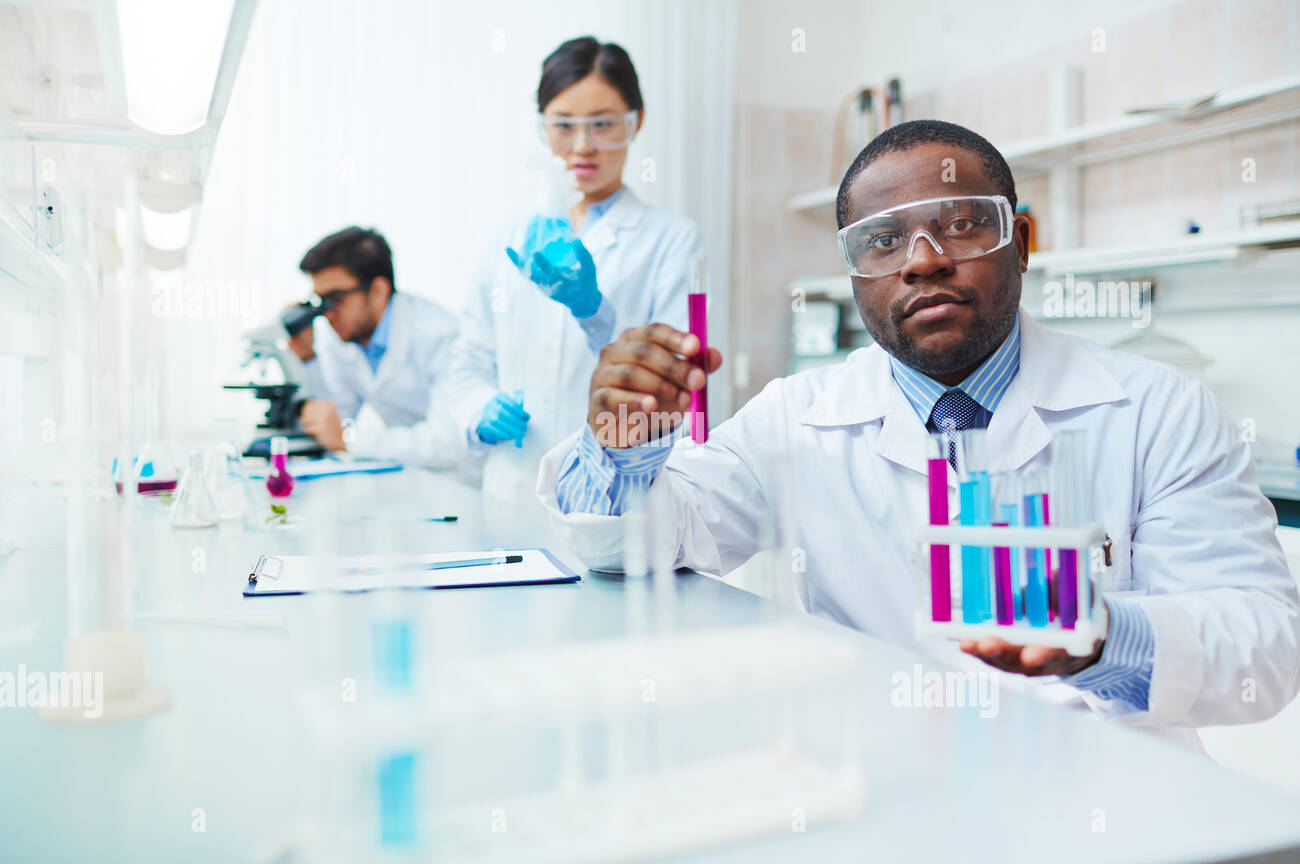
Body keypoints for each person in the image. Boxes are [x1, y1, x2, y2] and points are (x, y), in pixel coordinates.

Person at [537, 119, 1300, 752]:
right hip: (879, 785)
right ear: (855, 273)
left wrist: (1101, 639)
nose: (924, 262)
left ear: (1022, 243)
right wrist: (623, 444)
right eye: (882, 242)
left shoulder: (1160, 410)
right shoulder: (794, 418)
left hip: (1108, 790)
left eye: (962, 225)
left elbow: (1263, 650)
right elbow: (641, 546)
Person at [440, 36, 701, 501]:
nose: (582, 146)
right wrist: (479, 409)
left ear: (635, 122)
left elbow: (670, 375)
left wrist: (593, 308)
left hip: (615, 493)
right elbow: (466, 365)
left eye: (603, 124)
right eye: (563, 125)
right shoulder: (506, 242)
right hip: (512, 490)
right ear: (543, 127)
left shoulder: (670, 238)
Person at [288, 226, 463, 465]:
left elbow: (446, 441)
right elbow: (333, 421)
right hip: (410, 474)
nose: (327, 313)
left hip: (460, 482)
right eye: (320, 301)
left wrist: (351, 441)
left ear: (379, 290)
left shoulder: (440, 335)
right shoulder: (343, 337)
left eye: (336, 298)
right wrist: (307, 358)